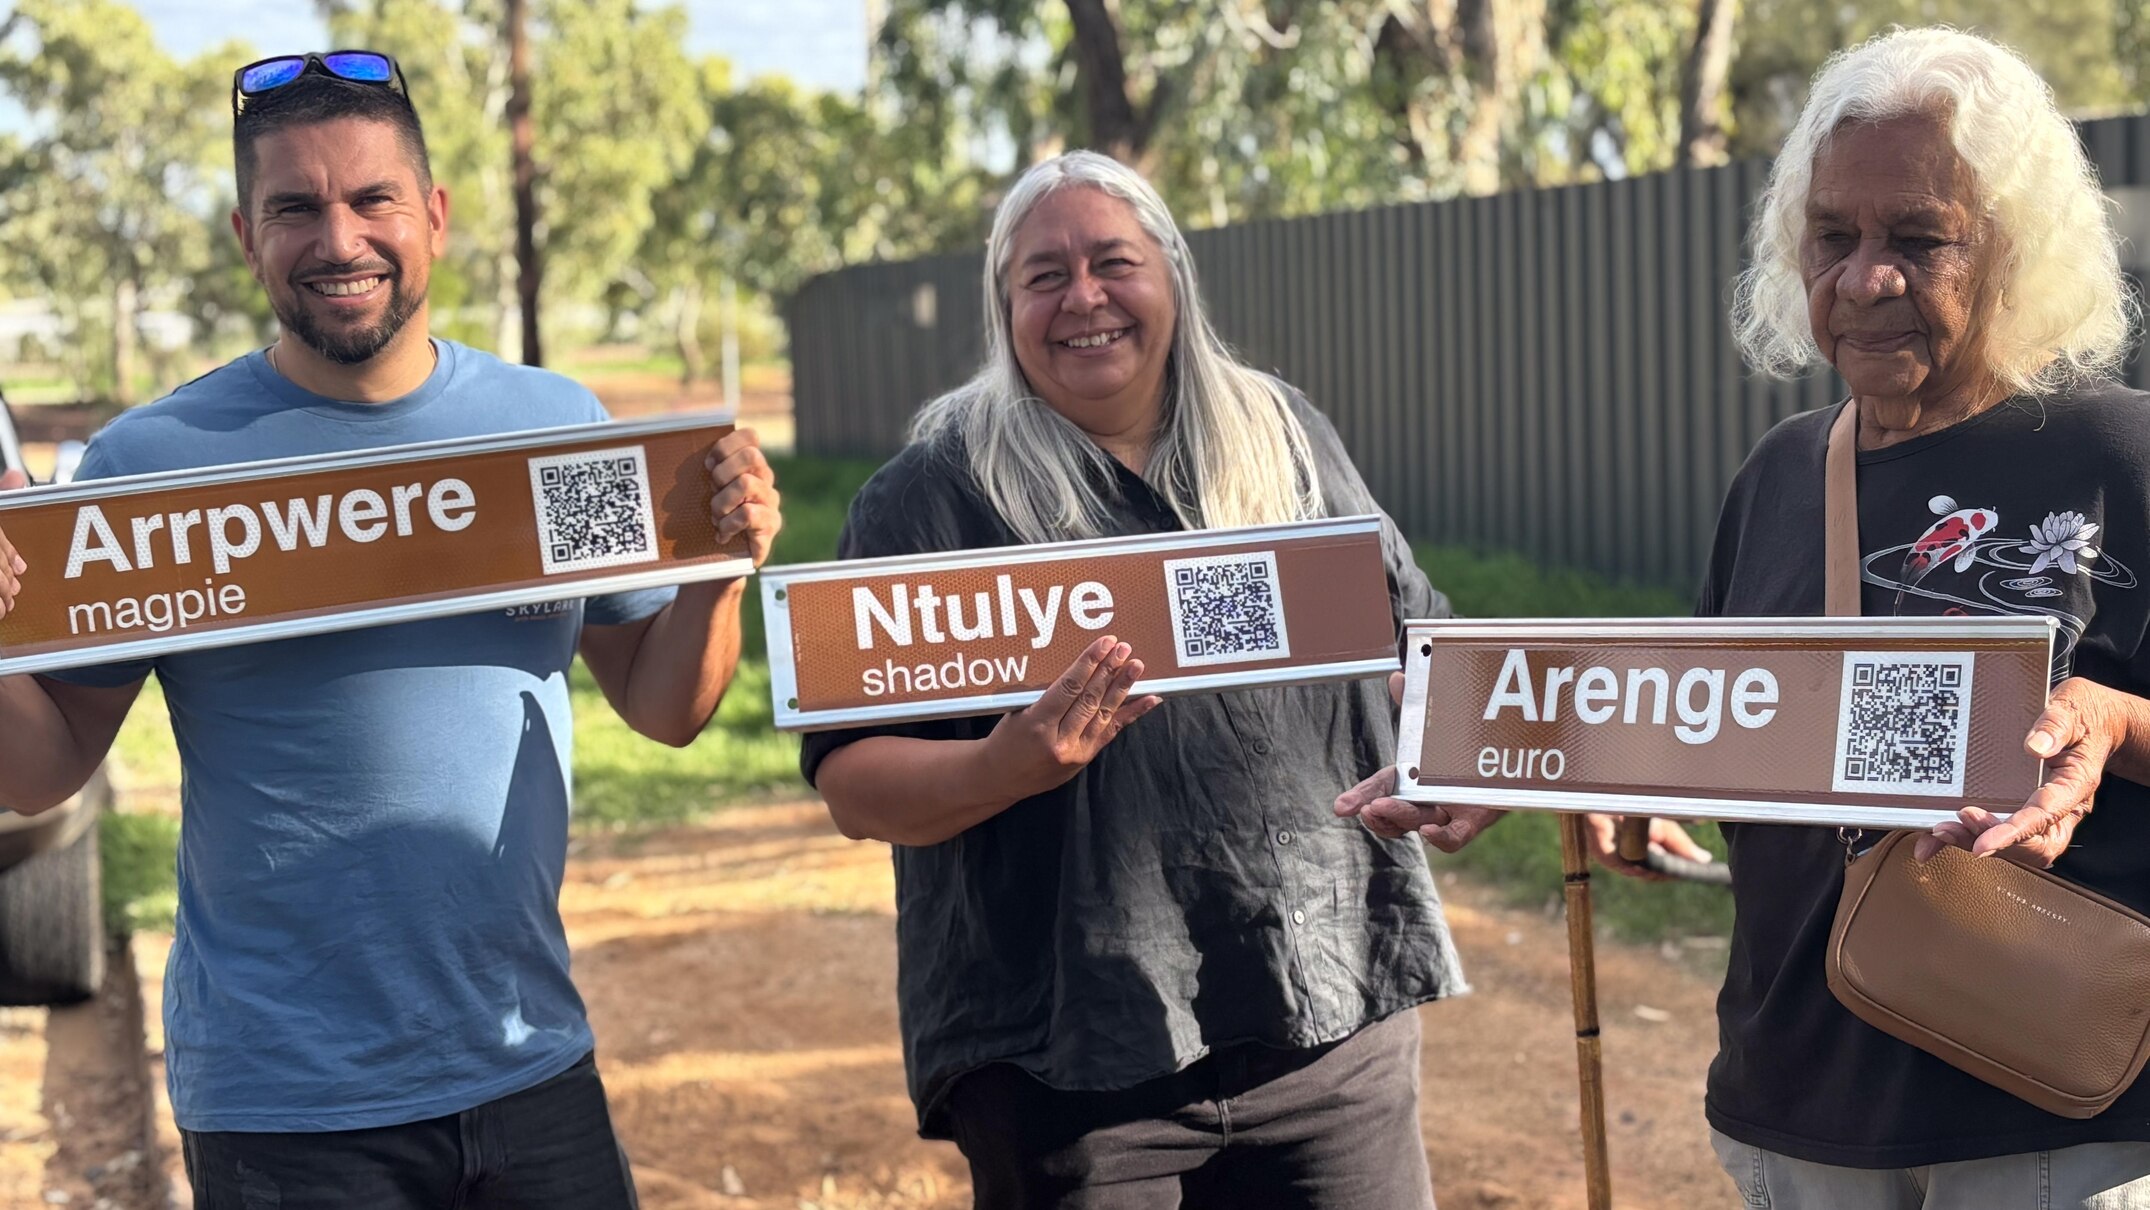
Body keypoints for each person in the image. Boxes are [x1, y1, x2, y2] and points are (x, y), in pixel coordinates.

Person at [1345, 26, 2150, 1208]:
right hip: (1798, 1099)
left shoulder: (2116, 452)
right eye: (1833, 237)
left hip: (2048, 1114)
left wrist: (2110, 728)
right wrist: (1544, 766)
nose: (1864, 277)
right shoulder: (1780, 472)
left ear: (2012, 254)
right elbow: (1740, 722)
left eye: (1916, 238)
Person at [0, 51, 781, 1209]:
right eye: (294, 209)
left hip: (529, 1062)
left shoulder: (549, 430)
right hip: (285, 1106)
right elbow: (37, 767)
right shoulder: (149, 471)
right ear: (244, 235)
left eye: (372, 199)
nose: (339, 239)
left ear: (435, 216)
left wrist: (719, 573)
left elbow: (663, 709)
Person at [802, 150, 1463, 1207]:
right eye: (1043, 275)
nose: (1083, 297)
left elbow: (1416, 650)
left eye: (1113, 260)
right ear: (1003, 306)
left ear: (1174, 277)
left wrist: (1466, 760)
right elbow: (851, 782)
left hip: (1326, 1026)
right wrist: (1001, 764)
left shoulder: (1283, 442)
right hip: (1070, 1066)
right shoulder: (930, 497)